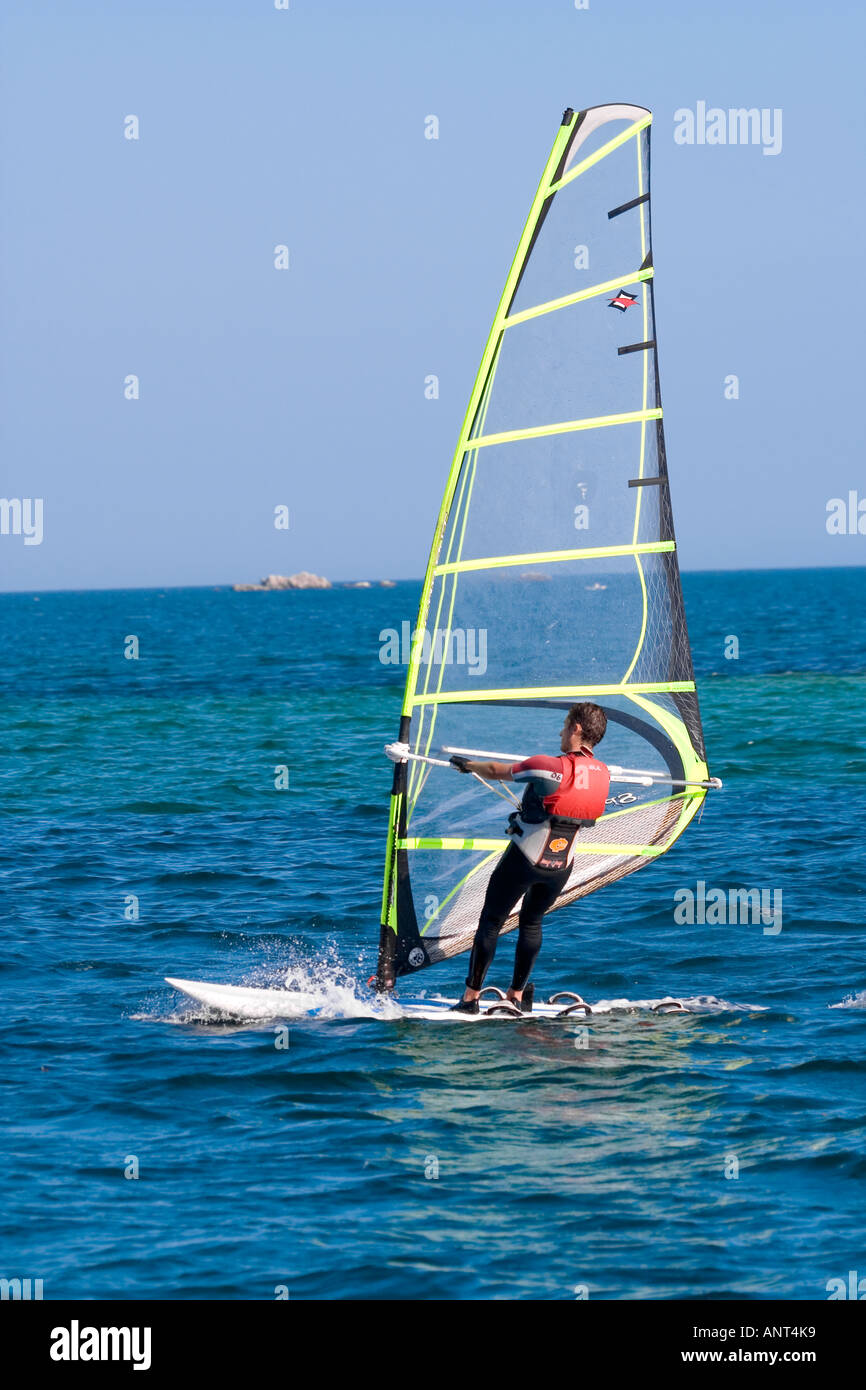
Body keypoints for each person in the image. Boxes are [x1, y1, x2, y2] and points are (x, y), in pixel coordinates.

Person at [449, 702, 610, 1014]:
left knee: (492, 921)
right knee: (532, 922)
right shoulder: (604, 774)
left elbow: (497, 771)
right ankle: (517, 995)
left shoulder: (549, 766)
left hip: (525, 858)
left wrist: (469, 765)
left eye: (565, 725)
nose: (561, 731)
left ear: (577, 729)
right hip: (562, 866)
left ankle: (470, 999)